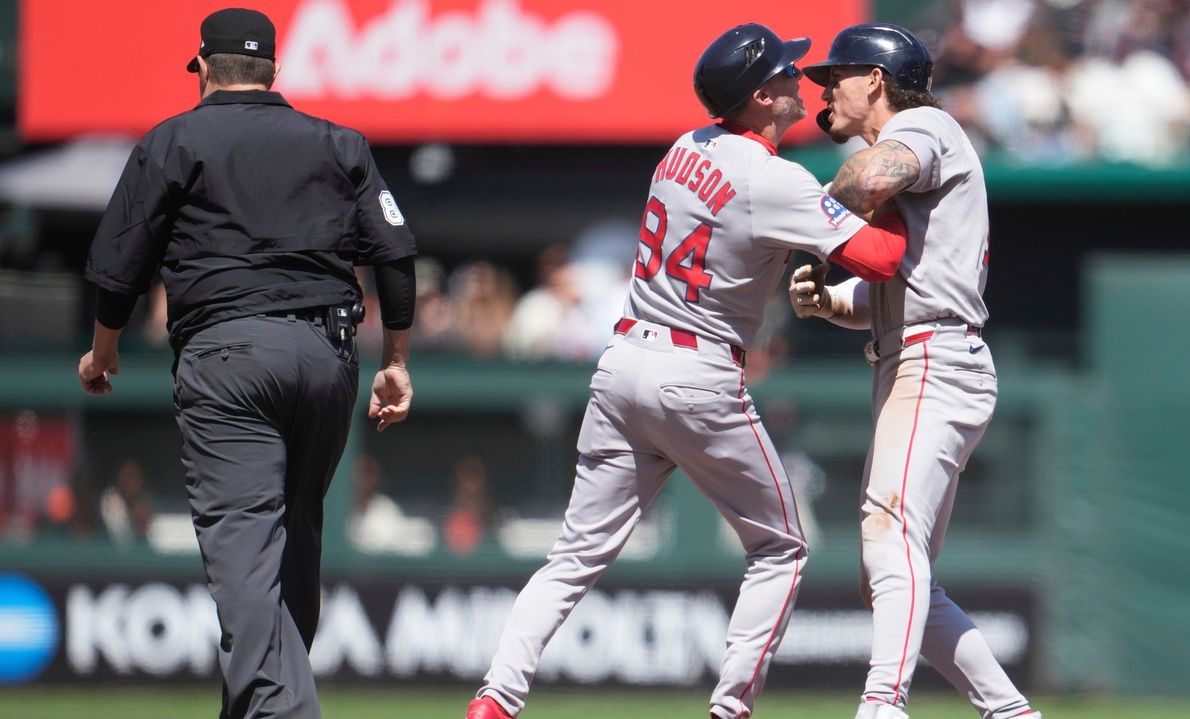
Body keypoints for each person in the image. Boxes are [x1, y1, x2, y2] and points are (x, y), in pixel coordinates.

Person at [465, 23, 910, 719]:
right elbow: (882, 261)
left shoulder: (684, 147)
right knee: (782, 546)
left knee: (572, 556)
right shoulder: (772, 176)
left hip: (624, 363)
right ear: (762, 96)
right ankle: (730, 708)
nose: (800, 80)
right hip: (696, 372)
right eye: (787, 73)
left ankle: (496, 697)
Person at [76, 8, 417, 718]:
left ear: (202, 67)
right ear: (274, 73)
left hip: (228, 359)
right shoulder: (337, 141)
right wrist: (398, 361)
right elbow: (395, 253)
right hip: (328, 355)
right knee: (291, 552)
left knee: (246, 564)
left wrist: (103, 351)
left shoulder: (175, 139)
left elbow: (118, 268)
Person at [787, 23, 1041, 719]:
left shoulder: (927, 123)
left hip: (934, 358)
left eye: (834, 75)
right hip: (919, 351)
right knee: (894, 576)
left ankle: (881, 704)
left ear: (874, 78)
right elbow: (906, 284)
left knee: (885, 533)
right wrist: (837, 299)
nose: (824, 90)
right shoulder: (920, 141)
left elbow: (866, 178)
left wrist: (814, 222)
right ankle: (1012, 712)